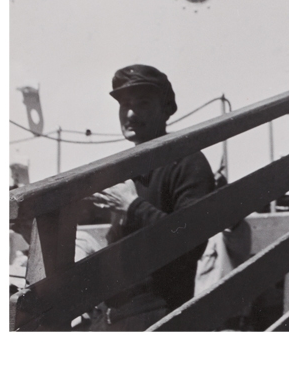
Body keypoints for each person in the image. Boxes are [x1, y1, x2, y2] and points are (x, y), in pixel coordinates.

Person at [89, 64, 217, 330]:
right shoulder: (129, 167)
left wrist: (133, 207)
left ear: (166, 109)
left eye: (143, 104)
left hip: (159, 315)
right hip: (112, 314)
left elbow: (192, 242)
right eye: (124, 105)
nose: (131, 114)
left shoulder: (187, 161)